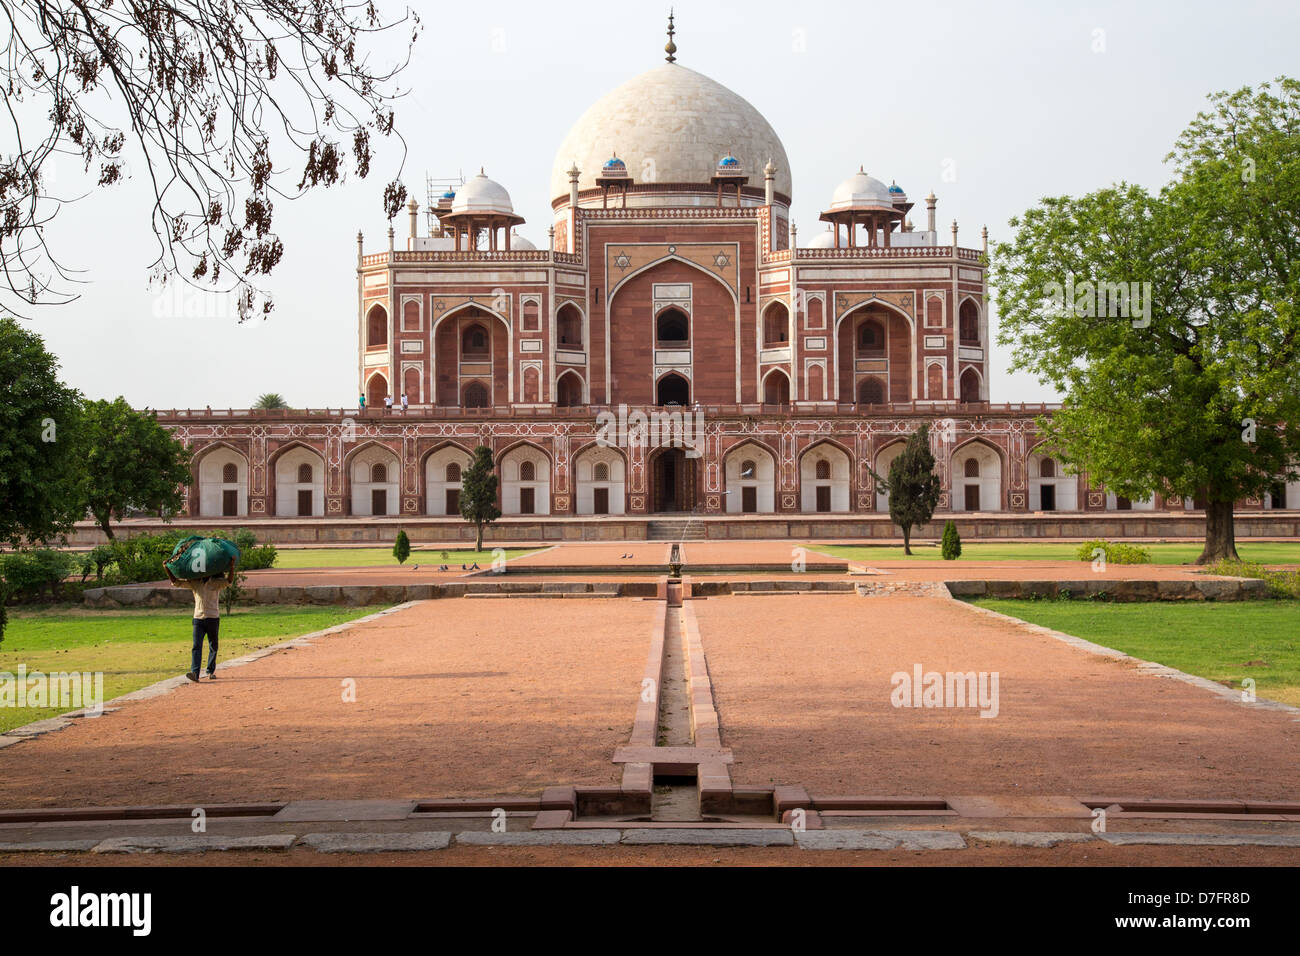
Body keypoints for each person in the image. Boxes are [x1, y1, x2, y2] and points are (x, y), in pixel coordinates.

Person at [164, 562, 237, 682]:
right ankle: (195, 673)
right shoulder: (195, 583)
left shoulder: (216, 583)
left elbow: (229, 581)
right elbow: (176, 582)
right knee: (196, 646)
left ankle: (210, 671)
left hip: (212, 617)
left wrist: (232, 567)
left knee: (213, 645)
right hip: (198, 618)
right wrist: (167, 568)